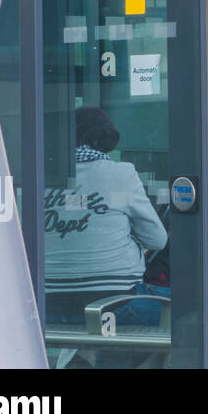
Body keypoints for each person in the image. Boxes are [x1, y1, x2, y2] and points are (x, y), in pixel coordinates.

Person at [44, 107, 170, 326]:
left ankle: (86, 358)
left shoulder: (43, 176)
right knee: (191, 309)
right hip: (116, 303)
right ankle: (102, 359)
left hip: (50, 306)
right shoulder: (120, 174)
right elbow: (157, 239)